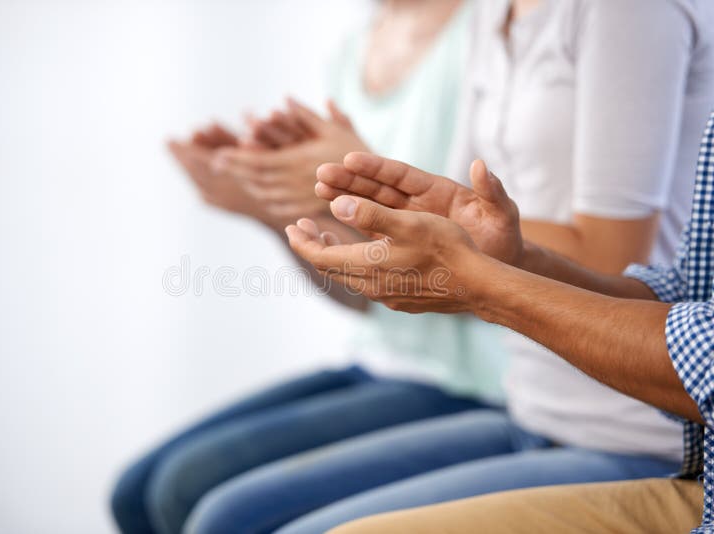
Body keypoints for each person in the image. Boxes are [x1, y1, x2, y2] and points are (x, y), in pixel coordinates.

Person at [183, 1, 714, 533]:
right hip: (536, 408)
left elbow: (613, 260)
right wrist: (310, 203)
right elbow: (463, 214)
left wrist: (475, 267)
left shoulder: (627, 12)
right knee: (216, 511)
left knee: (227, 513)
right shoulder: (491, 14)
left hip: (629, 430)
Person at [110, 2, 502, 533]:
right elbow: (364, 296)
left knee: (194, 496)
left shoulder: (484, 34)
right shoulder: (354, 51)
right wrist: (273, 208)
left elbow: (490, 262)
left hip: (481, 384)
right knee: (135, 493)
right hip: (383, 363)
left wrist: (367, 182)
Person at [288, 112, 714, 534]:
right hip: (571, 426)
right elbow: (685, 299)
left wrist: (485, 285)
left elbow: (701, 362)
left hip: (619, 440)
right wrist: (515, 262)